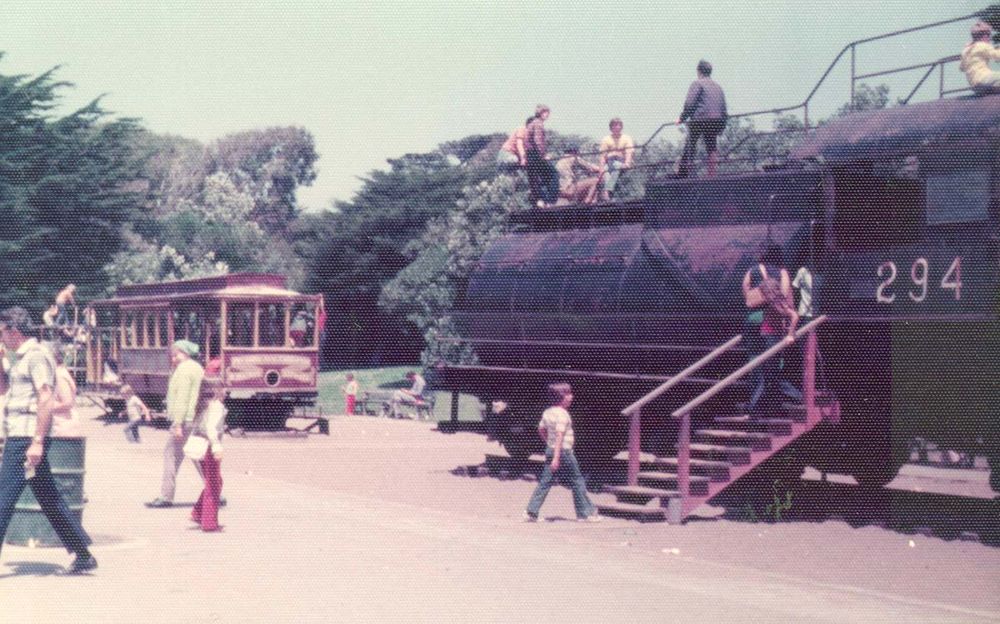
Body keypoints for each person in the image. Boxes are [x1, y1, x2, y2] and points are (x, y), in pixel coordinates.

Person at [0, 307, 97, 573]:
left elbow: (45, 397)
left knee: (3, 496)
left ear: (14, 330)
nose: (1, 338)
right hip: (21, 432)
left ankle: (82, 552)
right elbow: (5, 390)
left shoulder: (37, 356)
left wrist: (38, 441)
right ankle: (82, 552)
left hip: (26, 435)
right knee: (48, 496)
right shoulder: (20, 358)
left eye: (2, 332)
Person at [524, 383, 600, 523]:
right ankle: (585, 514)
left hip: (551, 449)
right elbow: (560, 435)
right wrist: (556, 458)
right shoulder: (563, 414)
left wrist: (549, 443)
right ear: (562, 397)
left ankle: (531, 512)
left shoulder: (547, 412)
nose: (571, 397)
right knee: (577, 480)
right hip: (564, 452)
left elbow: (541, 429)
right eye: (568, 394)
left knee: (545, 482)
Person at [742, 245, 800, 416]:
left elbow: (746, 294)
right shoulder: (782, 272)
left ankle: (756, 404)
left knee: (755, 362)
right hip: (771, 319)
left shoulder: (751, 271)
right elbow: (785, 295)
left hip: (752, 320)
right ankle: (779, 401)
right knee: (773, 364)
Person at [146, 339, 204, 508]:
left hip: (184, 420)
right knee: (197, 455)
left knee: (171, 456)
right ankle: (216, 490)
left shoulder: (184, 370)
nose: (173, 358)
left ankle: (166, 496)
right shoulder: (197, 368)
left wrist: (177, 424)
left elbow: (182, 398)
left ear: (185, 353)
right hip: (196, 418)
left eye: (175, 354)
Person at [677, 60, 728, 178]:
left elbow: (690, 103)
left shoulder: (697, 83)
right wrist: (722, 125)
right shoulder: (718, 87)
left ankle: (684, 173)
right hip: (717, 120)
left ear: (699, 71)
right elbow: (724, 107)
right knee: (711, 146)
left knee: (691, 143)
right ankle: (712, 175)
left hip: (701, 119)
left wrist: (682, 118)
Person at [190, 380, 226, 532]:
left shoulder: (203, 405)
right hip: (210, 447)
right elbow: (211, 428)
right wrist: (217, 447)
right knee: (213, 484)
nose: (226, 392)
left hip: (200, 445)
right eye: (223, 388)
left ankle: (198, 513)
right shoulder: (216, 406)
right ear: (216, 390)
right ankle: (209, 523)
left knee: (216, 481)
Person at [524, 105, 559, 207]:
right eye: (546, 112)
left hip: (530, 155)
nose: (548, 115)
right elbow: (538, 141)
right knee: (554, 174)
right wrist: (543, 155)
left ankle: (541, 200)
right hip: (535, 156)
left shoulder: (532, 124)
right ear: (541, 113)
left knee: (538, 178)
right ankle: (550, 201)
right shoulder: (538, 124)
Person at [598, 118, 635, 200]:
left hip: (622, 161)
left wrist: (627, 163)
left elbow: (629, 152)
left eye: (619, 125)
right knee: (605, 170)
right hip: (610, 162)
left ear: (621, 127)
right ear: (611, 127)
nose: (617, 127)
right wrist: (601, 169)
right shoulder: (606, 139)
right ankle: (607, 193)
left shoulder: (626, 138)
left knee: (616, 165)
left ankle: (607, 191)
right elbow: (602, 155)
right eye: (615, 125)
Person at [960, 21, 1000, 95]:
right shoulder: (982, 45)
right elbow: (997, 56)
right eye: (988, 34)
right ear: (984, 35)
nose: (989, 37)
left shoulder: (966, 50)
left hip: (974, 85)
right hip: (983, 79)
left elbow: (962, 68)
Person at [50, 347, 82, 437]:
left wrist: (43, 407)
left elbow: (67, 403)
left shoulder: (59, 375)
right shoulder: (59, 372)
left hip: (62, 427)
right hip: (62, 425)